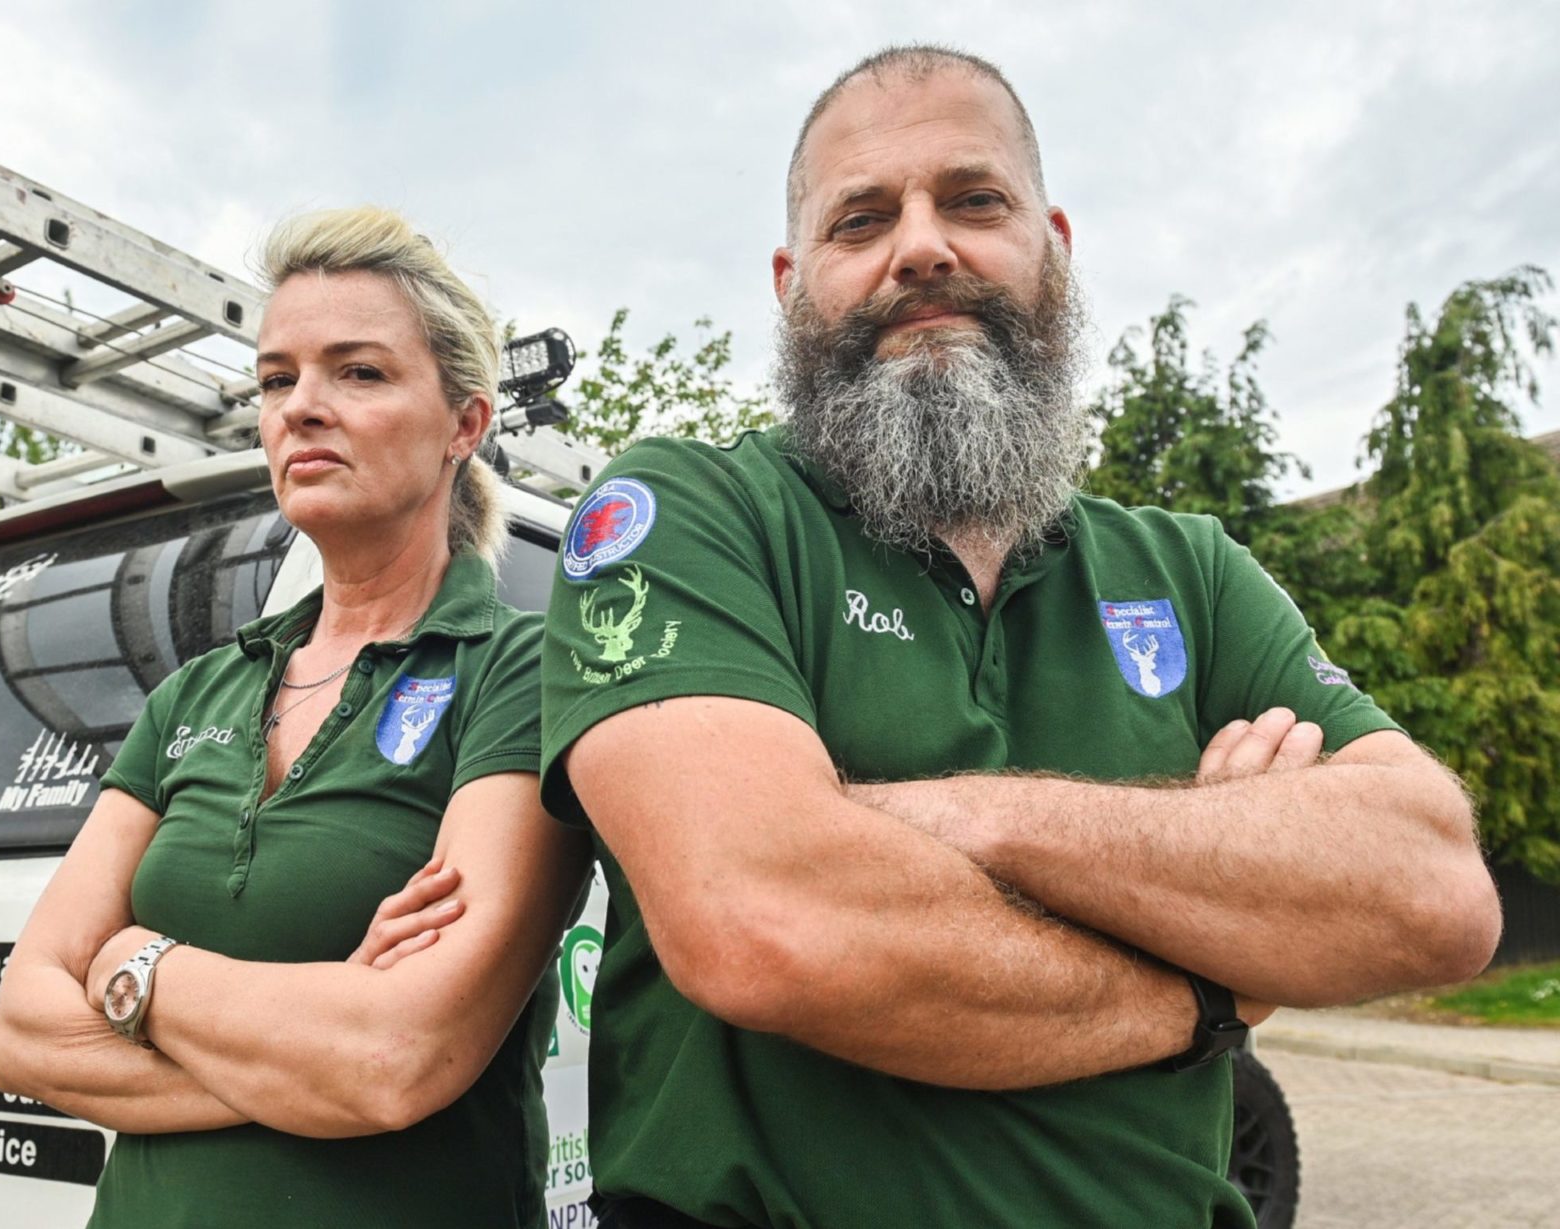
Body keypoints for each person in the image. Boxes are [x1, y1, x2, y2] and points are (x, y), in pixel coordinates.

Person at [535, 46, 1502, 1229]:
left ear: (1053, 244)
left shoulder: (1184, 568)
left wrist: (949, 812)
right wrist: (1213, 977)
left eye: (973, 200)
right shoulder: (691, 510)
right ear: (792, 281)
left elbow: (1432, 889)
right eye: (861, 219)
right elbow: (766, 925)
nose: (922, 246)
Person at [0, 206, 588, 1228]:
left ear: (463, 424)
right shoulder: (196, 690)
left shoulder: (524, 672)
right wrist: (312, 1058)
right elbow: (20, 1033)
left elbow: (395, 1059)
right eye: (277, 378)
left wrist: (134, 962)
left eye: (357, 372)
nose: (301, 406)